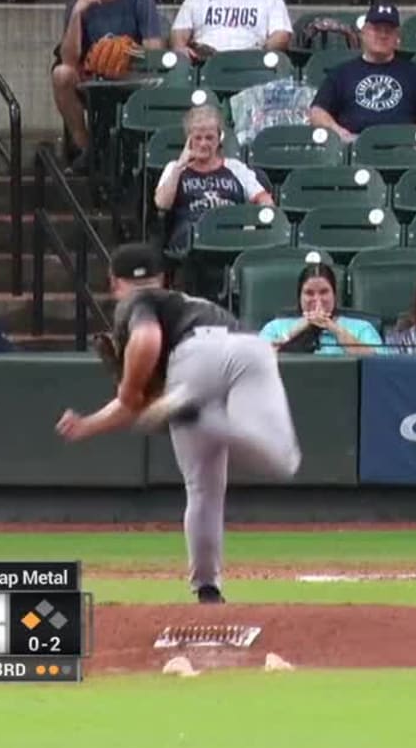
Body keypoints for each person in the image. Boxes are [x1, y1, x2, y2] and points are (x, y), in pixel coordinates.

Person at [56, 243, 301, 604]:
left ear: (113, 282)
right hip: (251, 348)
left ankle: (207, 587)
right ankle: (203, 416)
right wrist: (91, 423)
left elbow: (147, 341)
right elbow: (140, 402)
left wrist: (126, 391)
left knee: (203, 489)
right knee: (282, 462)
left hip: (191, 358)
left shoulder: (136, 302)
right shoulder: (190, 302)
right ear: (164, 278)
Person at [52, 0, 166, 173]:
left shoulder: (140, 0)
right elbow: (69, 59)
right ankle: (87, 149)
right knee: (61, 74)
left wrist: (124, 51)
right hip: (94, 77)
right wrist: (77, 15)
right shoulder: (77, 3)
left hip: (131, 77)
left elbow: (155, 51)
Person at [309, 3, 416, 140]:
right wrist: (339, 133)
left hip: (403, 146)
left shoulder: (415, 73)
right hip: (354, 145)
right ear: (364, 33)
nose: (383, 35)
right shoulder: (342, 73)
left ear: (397, 37)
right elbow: (317, 111)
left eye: (389, 30)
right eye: (376, 29)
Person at [154, 105, 274, 252]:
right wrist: (180, 166)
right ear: (188, 140)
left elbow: (265, 201)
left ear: (219, 139)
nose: (204, 143)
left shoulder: (236, 168)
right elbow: (162, 204)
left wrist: (253, 225)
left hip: (231, 233)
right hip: (192, 239)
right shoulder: (174, 168)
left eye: (209, 138)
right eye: (198, 138)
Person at [258, 264, 382, 355]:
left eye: (324, 292)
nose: (317, 300)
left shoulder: (362, 328)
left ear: (334, 295)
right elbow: (256, 361)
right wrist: (293, 332)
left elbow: (379, 364)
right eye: (309, 293)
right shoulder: (275, 327)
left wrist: (335, 329)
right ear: (299, 296)